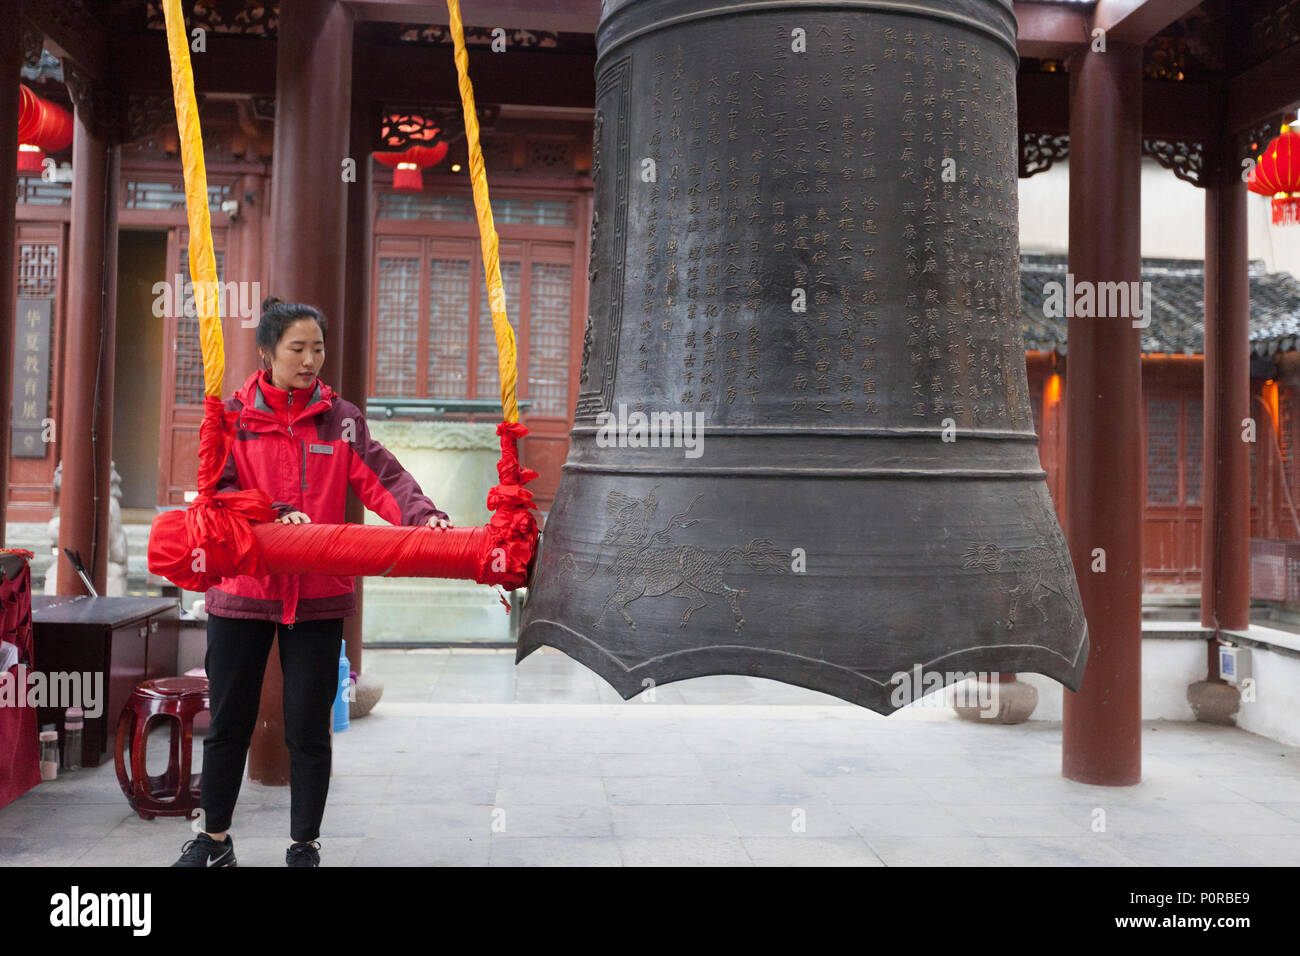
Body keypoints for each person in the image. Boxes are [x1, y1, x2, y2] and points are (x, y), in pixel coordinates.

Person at [172, 296, 452, 868]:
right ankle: (214, 841)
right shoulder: (233, 416)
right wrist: (271, 511)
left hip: (320, 593)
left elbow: (384, 475)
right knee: (228, 723)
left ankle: (304, 846)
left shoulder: (340, 418)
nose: (309, 360)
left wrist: (424, 518)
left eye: (317, 348)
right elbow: (214, 493)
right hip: (242, 591)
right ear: (267, 352)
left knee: (308, 727)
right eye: (297, 348)